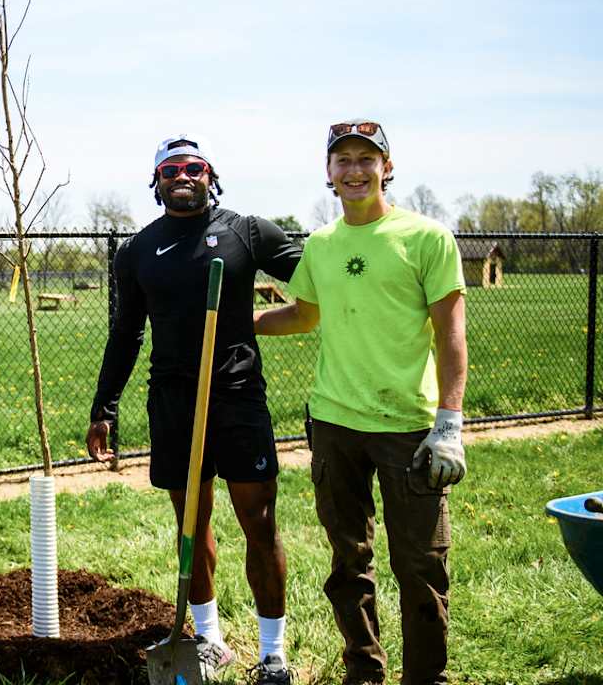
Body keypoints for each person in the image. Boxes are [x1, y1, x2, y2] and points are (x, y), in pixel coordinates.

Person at [255, 120, 467, 685]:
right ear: (328, 172)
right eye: (342, 160)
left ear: (386, 168)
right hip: (333, 424)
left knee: (420, 565)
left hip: (409, 428)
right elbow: (304, 314)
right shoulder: (321, 245)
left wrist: (450, 421)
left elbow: (451, 333)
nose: (354, 170)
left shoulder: (426, 238)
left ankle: (426, 677)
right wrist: (242, 323)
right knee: (348, 560)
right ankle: (363, 669)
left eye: (366, 159)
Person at [86, 136, 300, 684]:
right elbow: (126, 332)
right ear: (156, 181)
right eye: (171, 168)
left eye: (194, 166)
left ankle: (272, 652)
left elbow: (318, 275)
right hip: (175, 402)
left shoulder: (247, 232)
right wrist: (104, 405)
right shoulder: (137, 251)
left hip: (238, 398)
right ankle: (208, 638)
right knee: (191, 524)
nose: (183, 175)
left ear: (211, 175)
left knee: (260, 521)